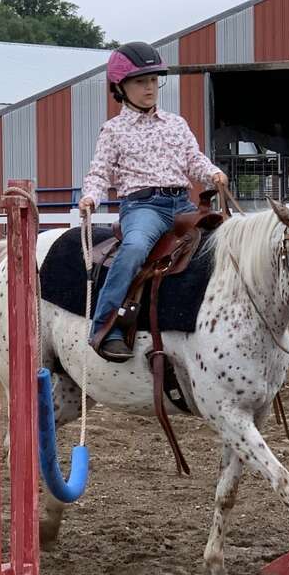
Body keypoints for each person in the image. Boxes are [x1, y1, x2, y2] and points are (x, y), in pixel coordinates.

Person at [77, 41, 228, 361]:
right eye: (140, 81)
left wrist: (214, 173)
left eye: (152, 80)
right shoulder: (113, 131)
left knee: (227, 240)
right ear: (121, 86)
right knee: (132, 250)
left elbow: (193, 160)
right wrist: (90, 197)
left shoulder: (176, 124)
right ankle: (105, 326)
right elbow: (100, 173)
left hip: (182, 204)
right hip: (143, 207)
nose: (149, 87)